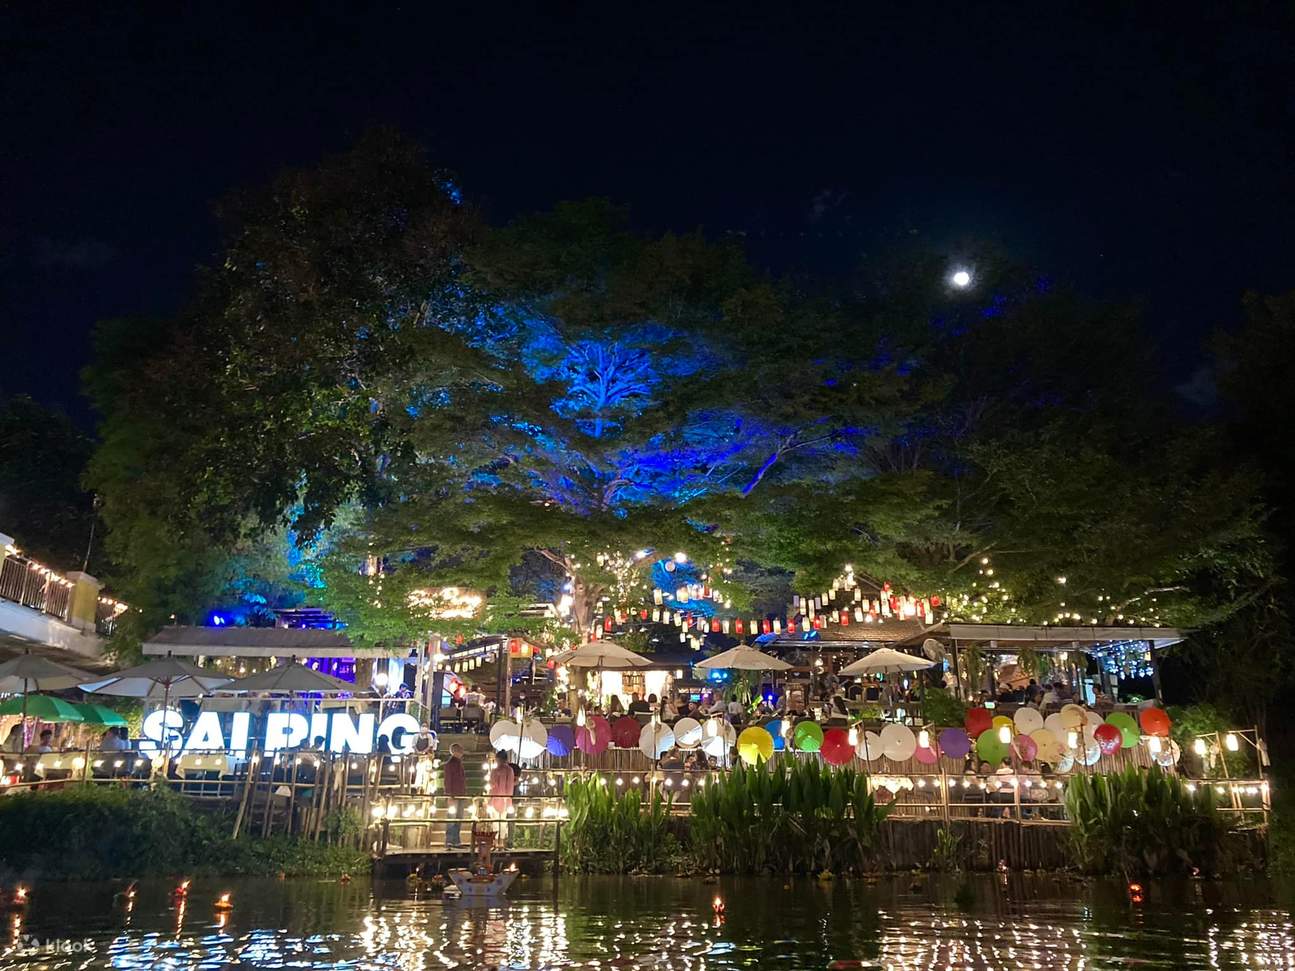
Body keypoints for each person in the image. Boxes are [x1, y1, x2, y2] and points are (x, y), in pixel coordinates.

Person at [443, 742, 467, 847]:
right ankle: (449, 840)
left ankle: (456, 840)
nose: (461, 753)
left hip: (460, 794)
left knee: (458, 817)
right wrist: (449, 795)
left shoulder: (459, 763)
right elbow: (447, 781)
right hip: (454, 794)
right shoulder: (450, 764)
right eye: (460, 750)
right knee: (452, 817)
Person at [488, 750, 515, 826]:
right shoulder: (508, 770)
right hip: (500, 798)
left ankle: (498, 836)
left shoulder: (507, 770)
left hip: (500, 798)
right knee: (500, 820)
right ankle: (500, 836)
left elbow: (509, 786)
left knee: (498, 820)